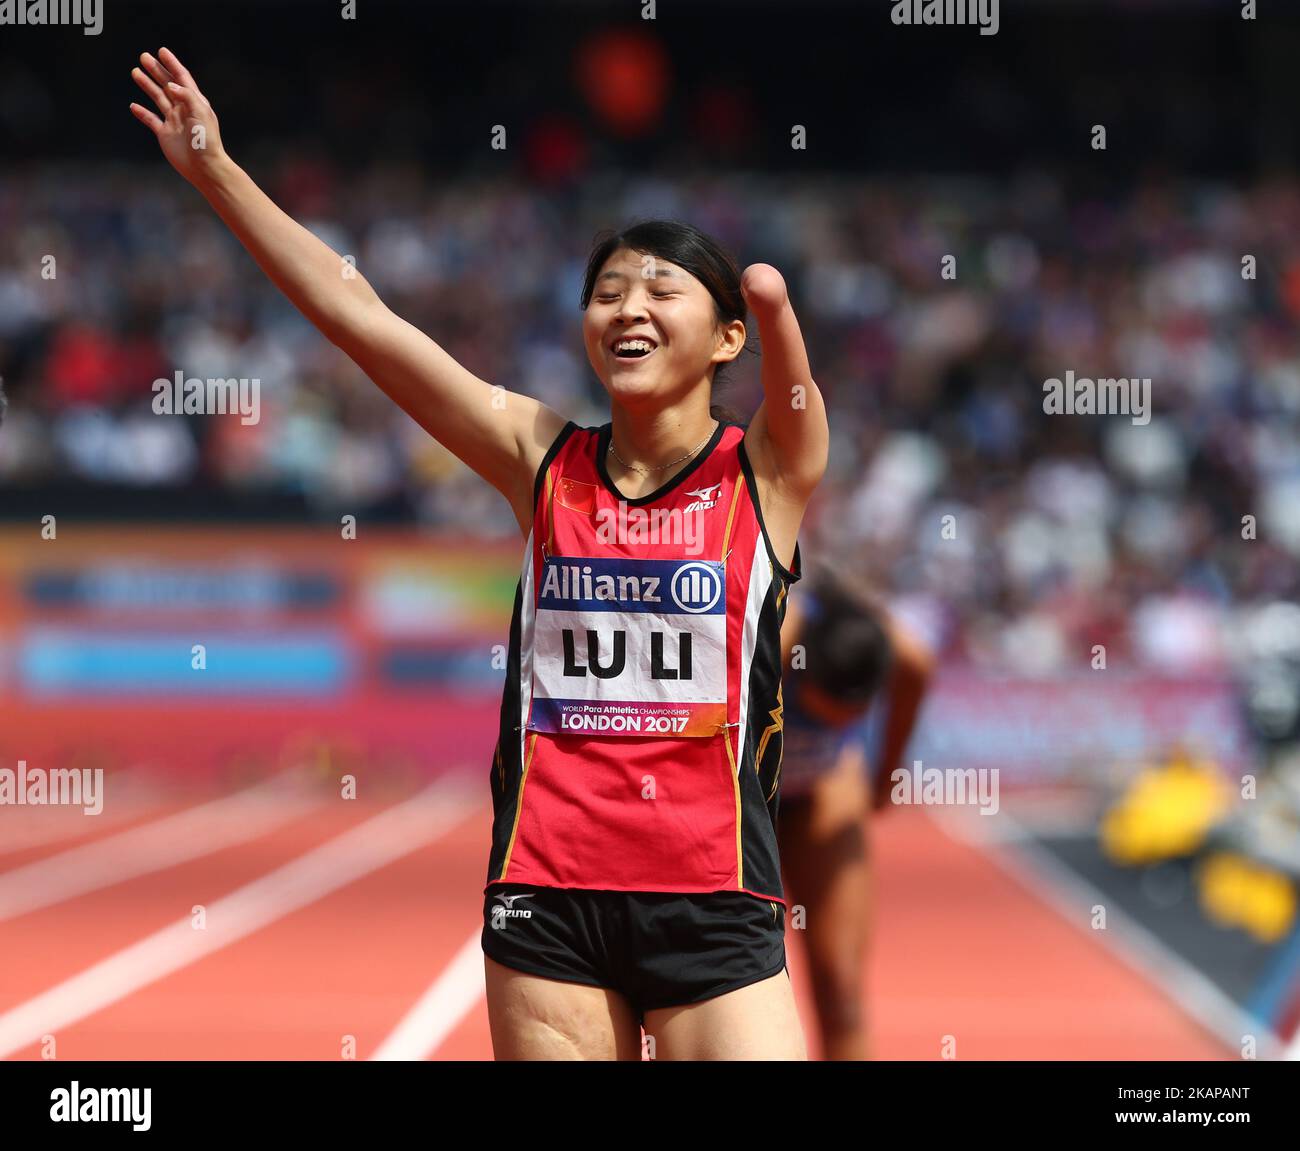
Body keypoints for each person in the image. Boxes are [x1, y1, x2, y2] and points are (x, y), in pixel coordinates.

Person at [130, 47, 829, 1060]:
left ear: (725, 339)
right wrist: (218, 174)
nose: (626, 308)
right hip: (549, 896)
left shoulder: (762, 475)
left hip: (716, 896)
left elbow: (799, 409)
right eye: (606, 292)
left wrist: (772, 308)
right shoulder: (538, 455)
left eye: (658, 289)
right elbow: (362, 319)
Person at [776, 563, 933, 1060]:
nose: (828, 724)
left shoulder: (901, 652)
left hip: (824, 787)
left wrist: (886, 778)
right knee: (732, 981)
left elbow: (915, 678)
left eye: (850, 717)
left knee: (842, 988)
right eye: (820, 713)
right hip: (749, 795)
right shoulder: (774, 641)